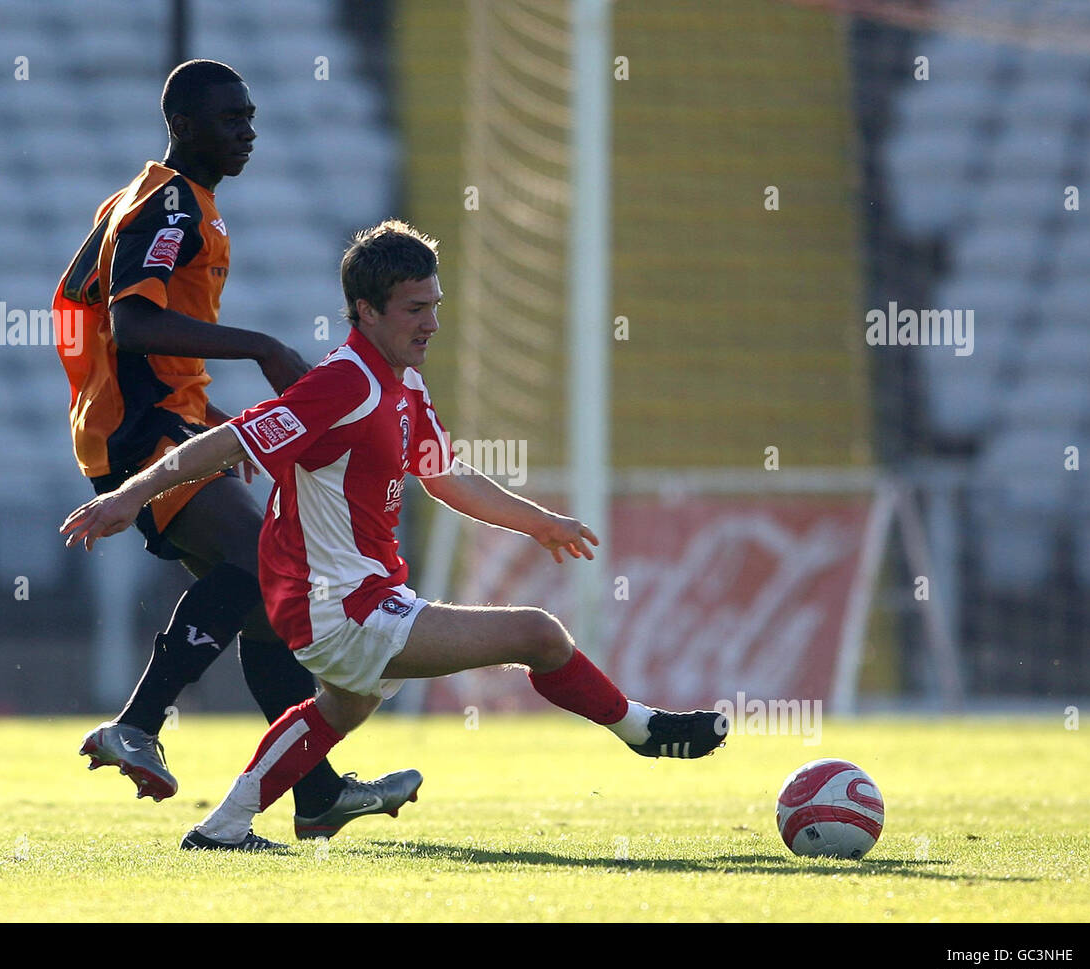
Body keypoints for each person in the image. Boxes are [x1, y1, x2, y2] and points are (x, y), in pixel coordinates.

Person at [62, 220, 729, 852]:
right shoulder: (344, 381)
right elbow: (233, 439)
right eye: (414, 308)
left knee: (339, 708)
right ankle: (644, 730)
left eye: (435, 305)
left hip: (361, 595)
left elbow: (444, 475)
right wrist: (129, 493)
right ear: (367, 310)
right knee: (538, 634)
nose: (431, 322)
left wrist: (539, 522)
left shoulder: (403, 380)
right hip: (339, 605)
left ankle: (222, 828)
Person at [51, 60, 420, 844]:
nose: (246, 131)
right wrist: (261, 347)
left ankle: (316, 796)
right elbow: (133, 326)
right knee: (260, 563)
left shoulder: (160, 201)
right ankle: (140, 724)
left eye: (250, 117)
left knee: (264, 608)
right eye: (228, 119)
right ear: (183, 125)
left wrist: (211, 415)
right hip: (140, 434)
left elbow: (114, 326)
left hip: (152, 421)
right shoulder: (172, 209)